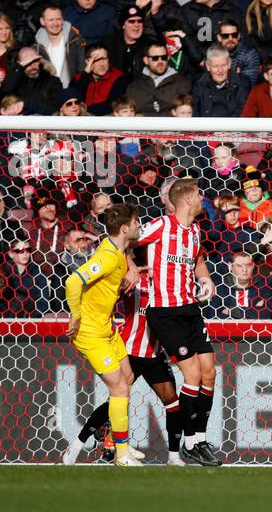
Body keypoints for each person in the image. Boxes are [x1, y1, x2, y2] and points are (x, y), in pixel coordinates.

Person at [137, 178, 223, 467]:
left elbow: (198, 260)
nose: (202, 198)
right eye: (199, 194)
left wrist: (206, 277)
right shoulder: (161, 226)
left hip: (190, 309)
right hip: (164, 312)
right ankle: (188, 443)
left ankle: (199, 438)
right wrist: (129, 271)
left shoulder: (196, 231)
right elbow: (125, 242)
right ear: (187, 200)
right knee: (193, 376)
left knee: (209, 372)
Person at [64, 262, 185, 467]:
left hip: (155, 353)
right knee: (117, 398)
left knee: (173, 403)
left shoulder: (169, 281)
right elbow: (105, 299)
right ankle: (76, 446)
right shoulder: (133, 279)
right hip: (129, 351)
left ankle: (173, 457)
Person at [63, 203, 144, 467]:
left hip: (107, 329)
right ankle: (120, 454)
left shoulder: (116, 249)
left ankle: (118, 443)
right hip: (90, 333)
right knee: (119, 387)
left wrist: (131, 267)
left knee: (128, 378)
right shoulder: (108, 257)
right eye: (135, 222)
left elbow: (124, 248)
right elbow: (73, 281)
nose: (139, 225)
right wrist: (75, 315)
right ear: (124, 228)